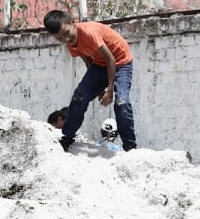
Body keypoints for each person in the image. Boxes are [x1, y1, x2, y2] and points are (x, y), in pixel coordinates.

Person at [43, 10, 137, 152]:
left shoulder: (89, 33)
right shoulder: (70, 42)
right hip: (99, 65)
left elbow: (110, 60)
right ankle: (67, 137)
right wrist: (98, 90)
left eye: (66, 33)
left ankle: (130, 146)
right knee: (79, 97)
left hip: (120, 62)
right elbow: (89, 62)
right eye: (60, 38)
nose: (66, 39)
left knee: (121, 102)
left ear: (72, 23)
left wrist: (109, 90)